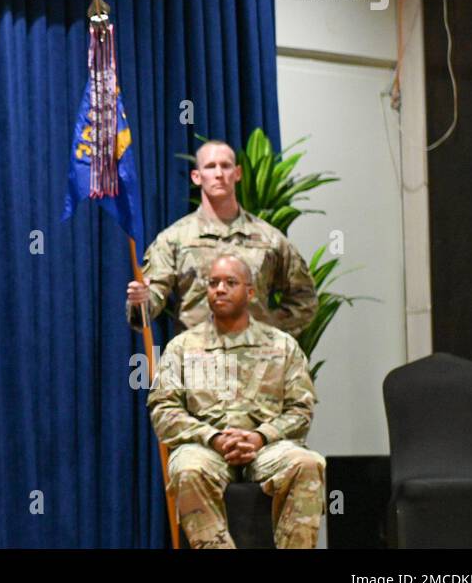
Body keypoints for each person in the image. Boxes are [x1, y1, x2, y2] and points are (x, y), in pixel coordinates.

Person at [148, 254, 326, 549]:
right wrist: (213, 437)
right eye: (213, 283)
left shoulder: (282, 345)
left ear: (251, 292)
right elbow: (164, 411)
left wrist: (260, 436)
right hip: (206, 447)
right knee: (187, 469)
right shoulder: (182, 347)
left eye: (230, 282)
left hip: (267, 447)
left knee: (307, 463)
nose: (219, 289)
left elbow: (301, 409)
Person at [126, 139, 317, 336]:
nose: (219, 174)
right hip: (198, 360)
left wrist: (268, 332)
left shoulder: (269, 239)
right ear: (196, 177)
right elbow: (149, 303)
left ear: (237, 173)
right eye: (210, 167)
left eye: (226, 166)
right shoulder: (174, 239)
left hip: (254, 362)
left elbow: (304, 297)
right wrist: (142, 300)